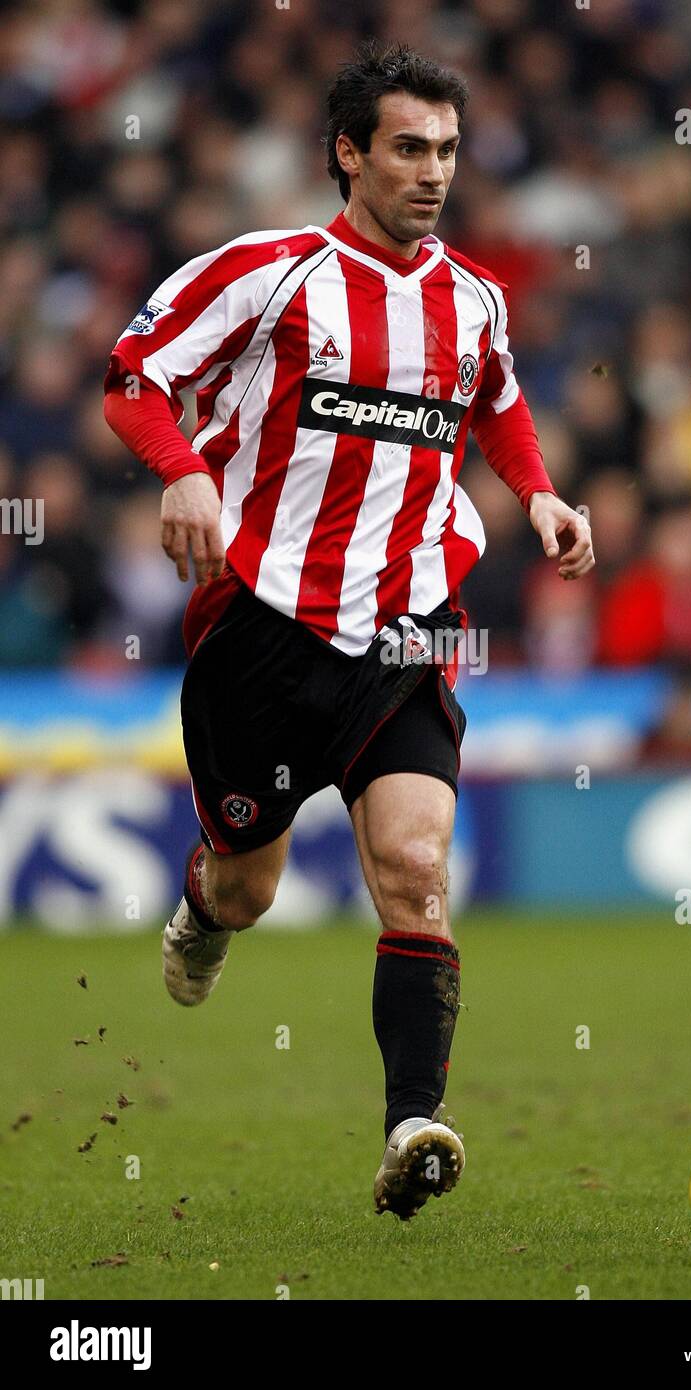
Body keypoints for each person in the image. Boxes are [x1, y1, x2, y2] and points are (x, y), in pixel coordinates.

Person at [103, 41, 594, 1221]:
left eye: (446, 151)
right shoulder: (265, 275)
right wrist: (179, 473)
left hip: (409, 621)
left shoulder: (471, 298)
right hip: (264, 625)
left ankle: (413, 1123)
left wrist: (534, 493)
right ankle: (205, 905)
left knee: (416, 868)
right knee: (248, 887)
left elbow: (497, 403)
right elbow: (130, 376)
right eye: (408, 149)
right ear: (347, 154)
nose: (432, 173)